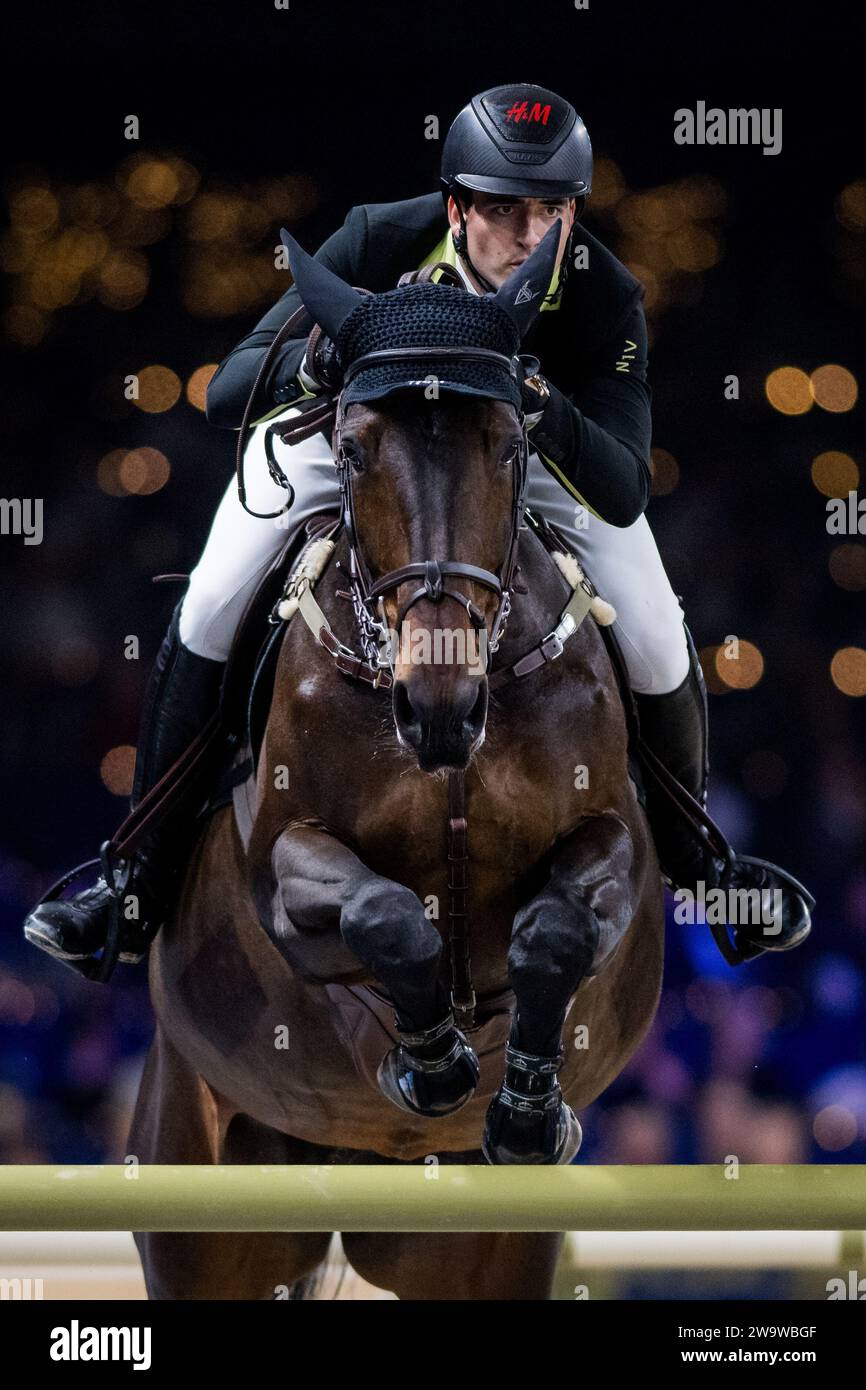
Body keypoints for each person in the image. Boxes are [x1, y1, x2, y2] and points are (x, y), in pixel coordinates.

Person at [24, 81, 811, 975]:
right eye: (506, 213)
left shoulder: (603, 295)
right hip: (362, 447)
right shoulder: (374, 240)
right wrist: (325, 354)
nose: (531, 239)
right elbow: (224, 396)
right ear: (456, 206)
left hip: (521, 460)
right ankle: (132, 883)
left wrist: (531, 396)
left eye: (552, 212)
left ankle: (707, 873)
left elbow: (624, 487)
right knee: (208, 604)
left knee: (661, 636)